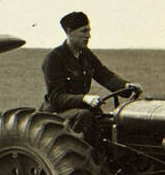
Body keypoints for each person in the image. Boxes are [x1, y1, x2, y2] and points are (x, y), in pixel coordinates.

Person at [40, 11, 142, 145]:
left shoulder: (85, 55)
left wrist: (126, 86)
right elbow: (56, 97)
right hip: (58, 114)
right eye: (84, 31)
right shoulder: (54, 58)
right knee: (86, 116)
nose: (89, 36)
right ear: (70, 32)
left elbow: (105, 76)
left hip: (80, 110)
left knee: (108, 121)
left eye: (89, 31)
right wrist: (85, 98)